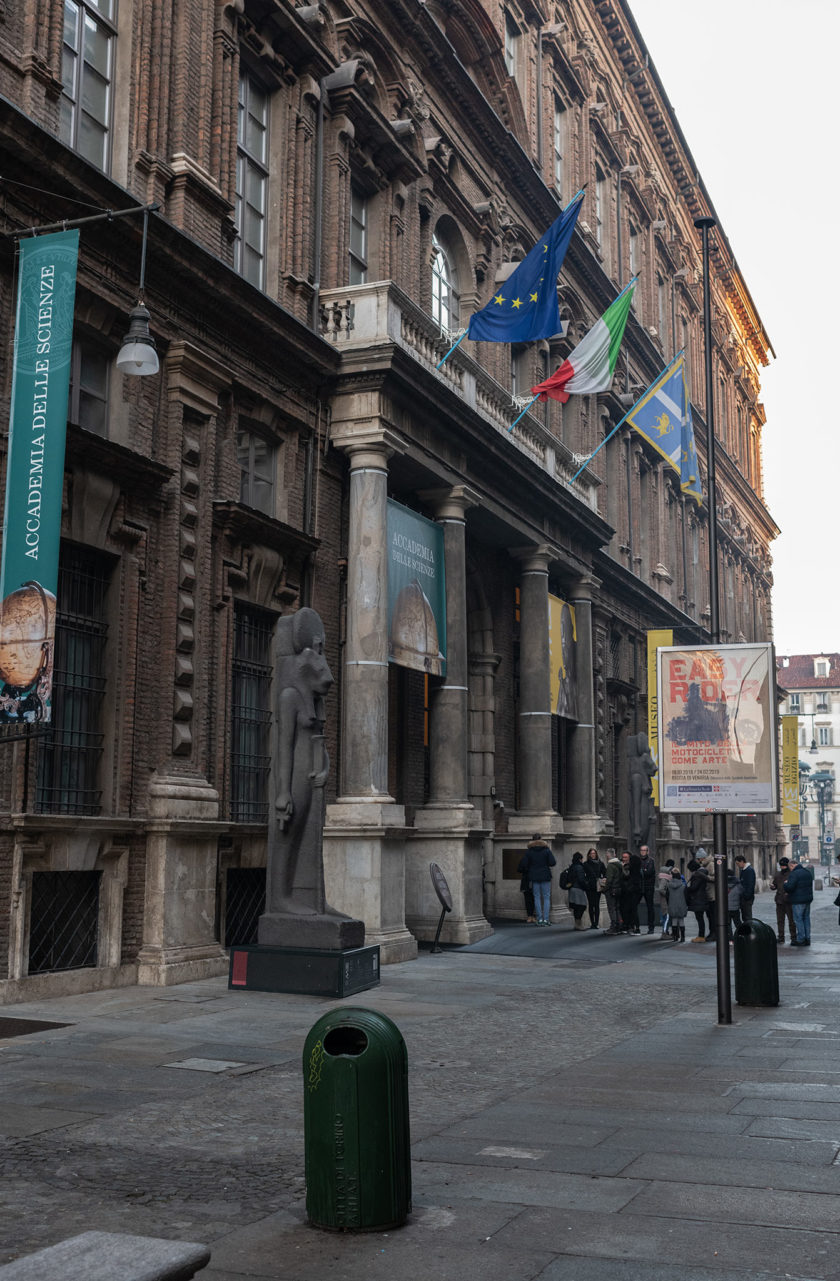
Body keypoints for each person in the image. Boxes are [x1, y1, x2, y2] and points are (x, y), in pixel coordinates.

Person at [519, 835, 556, 926]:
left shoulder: (529, 852)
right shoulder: (546, 850)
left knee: (536, 897)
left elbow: (524, 864)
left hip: (534, 876)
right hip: (545, 875)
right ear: (541, 839)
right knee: (546, 897)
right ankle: (546, 919)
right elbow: (552, 862)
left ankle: (539, 919)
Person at [784, 856, 815, 947]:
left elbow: (790, 887)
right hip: (807, 899)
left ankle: (801, 939)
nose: (790, 869)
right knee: (806, 918)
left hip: (798, 900)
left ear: (792, 865)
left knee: (798, 919)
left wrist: (786, 884)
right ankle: (807, 938)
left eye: (790, 867)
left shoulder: (794, 874)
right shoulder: (807, 872)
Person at [770, 857, 796, 945]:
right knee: (780, 920)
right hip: (779, 900)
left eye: (784, 866)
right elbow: (775, 885)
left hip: (789, 901)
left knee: (791, 920)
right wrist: (773, 886)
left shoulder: (792, 874)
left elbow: (794, 887)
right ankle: (781, 937)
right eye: (781, 866)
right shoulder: (778, 875)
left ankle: (793, 937)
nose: (782, 868)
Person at [685, 858, 710, 942]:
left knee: (699, 918)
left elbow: (694, 887)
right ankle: (701, 936)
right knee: (700, 918)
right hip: (701, 898)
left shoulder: (697, 875)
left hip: (698, 899)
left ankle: (701, 936)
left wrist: (687, 889)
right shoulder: (702, 873)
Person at [583, 847, 607, 930]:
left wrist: (602, 879)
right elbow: (583, 874)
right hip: (589, 887)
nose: (593, 855)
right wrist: (587, 882)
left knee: (596, 904)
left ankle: (596, 923)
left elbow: (605, 873)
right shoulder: (586, 864)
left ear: (596, 854)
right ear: (589, 855)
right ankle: (592, 923)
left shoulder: (600, 863)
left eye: (594, 853)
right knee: (591, 904)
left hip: (598, 886)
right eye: (591, 853)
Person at [619, 850, 642, 935]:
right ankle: (631, 926)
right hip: (632, 891)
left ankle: (636, 928)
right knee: (630, 909)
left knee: (633, 910)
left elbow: (628, 877)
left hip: (632, 892)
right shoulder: (637, 870)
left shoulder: (633, 871)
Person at [697, 848, 717, 941]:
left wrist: (705, 877)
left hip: (713, 894)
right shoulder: (705, 865)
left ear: (702, 858)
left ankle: (714, 934)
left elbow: (716, 877)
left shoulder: (711, 864)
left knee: (712, 915)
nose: (698, 861)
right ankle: (711, 933)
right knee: (709, 915)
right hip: (708, 894)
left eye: (698, 859)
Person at [566, 851, 589, 930]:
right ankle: (578, 924)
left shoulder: (572, 866)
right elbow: (581, 879)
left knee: (576, 907)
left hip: (572, 888)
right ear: (580, 859)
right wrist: (586, 887)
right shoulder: (579, 867)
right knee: (582, 906)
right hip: (578, 889)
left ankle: (577, 924)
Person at [664, 867, 688, 942]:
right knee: (681, 920)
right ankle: (683, 937)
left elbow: (667, 896)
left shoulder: (669, 885)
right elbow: (686, 896)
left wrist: (669, 903)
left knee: (674, 920)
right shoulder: (683, 886)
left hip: (672, 904)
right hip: (682, 905)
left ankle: (675, 937)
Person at [603, 848, 624, 934]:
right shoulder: (620, 864)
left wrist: (605, 889)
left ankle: (613, 927)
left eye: (606, 854)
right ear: (614, 854)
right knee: (617, 908)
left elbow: (609, 880)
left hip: (612, 890)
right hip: (619, 889)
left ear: (608, 855)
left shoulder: (611, 865)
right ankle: (620, 926)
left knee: (611, 908)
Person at [639, 844, 657, 933]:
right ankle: (635, 926)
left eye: (644, 850)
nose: (642, 852)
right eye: (641, 850)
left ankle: (651, 927)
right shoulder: (638, 861)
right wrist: (643, 871)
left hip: (649, 887)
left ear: (647, 851)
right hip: (639, 887)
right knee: (634, 906)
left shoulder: (651, 861)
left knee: (650, 907)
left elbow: (649, 872)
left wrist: (641, 871)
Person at [735, 854, 756, 922]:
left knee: (747, 917)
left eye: (738, 863)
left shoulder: (749, 870)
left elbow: (750, 884)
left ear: (742, 861)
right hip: (744, 897)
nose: (737, 865)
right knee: (744, 917)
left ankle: (749, 931)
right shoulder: (743, 870)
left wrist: (746, 896)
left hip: (747, 898)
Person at [657, 859, 675, 937]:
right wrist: (667, 894)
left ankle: (665, 932)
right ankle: (664, 933)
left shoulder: (663, 875)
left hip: (665, 900)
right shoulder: (665, 877)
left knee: (665, 916)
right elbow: (661, 889)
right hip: (665, 900)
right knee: (667, 917)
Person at [727, 870, 744, 941]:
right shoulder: (738, 883)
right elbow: (741, 893)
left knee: (728, 924)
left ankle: (730, 939)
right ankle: (741, 936)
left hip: (726, 908)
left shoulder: (723, 883)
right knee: (738, 923)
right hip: (736, 908)